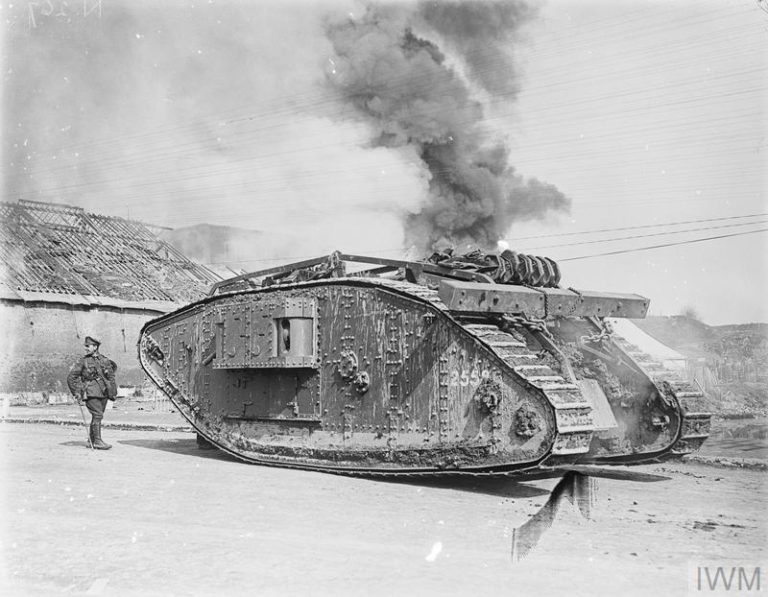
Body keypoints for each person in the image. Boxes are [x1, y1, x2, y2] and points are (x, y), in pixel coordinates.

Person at [67, 336, 117, 450]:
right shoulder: (83, 361)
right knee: (98, 415)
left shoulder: (105, 360)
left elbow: (111, 377)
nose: (86, 348)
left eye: (88, 346)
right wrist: (77, 393)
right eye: (85, 346)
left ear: (95, 347)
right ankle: (98, 441)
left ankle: (92, 440)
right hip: (90, 393)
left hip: (103, 392)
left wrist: (113, 392)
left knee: (97, 416)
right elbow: (71, 377)